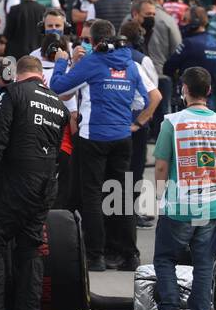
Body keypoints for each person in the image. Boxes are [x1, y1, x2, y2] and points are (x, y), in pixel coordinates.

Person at [50, 19, 160, 270]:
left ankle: (95, 255)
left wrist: (61, 62)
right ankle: (128, 254)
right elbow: (151, 98)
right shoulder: (131, 64)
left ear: (93, 42)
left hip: (93, 137)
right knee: (120, 195)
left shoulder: (92, 62)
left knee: (92, 196)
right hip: (123, 136)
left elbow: (58, 88)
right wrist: (139, 123)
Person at [0, 56, 65, 310]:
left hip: (16, 181)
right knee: (31, 246)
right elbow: (58, 148)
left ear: (18, 73)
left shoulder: (11, 94)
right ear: (39, 74)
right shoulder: (57, 104)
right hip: (45, 183)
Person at [146, 66, 216, 310]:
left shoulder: (172, 122)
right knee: (204, 263)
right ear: (209, 91)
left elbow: (161, 166)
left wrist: (161, 196)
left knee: (164, 259)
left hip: (180, 204)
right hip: (212, 204)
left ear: (184, 90)